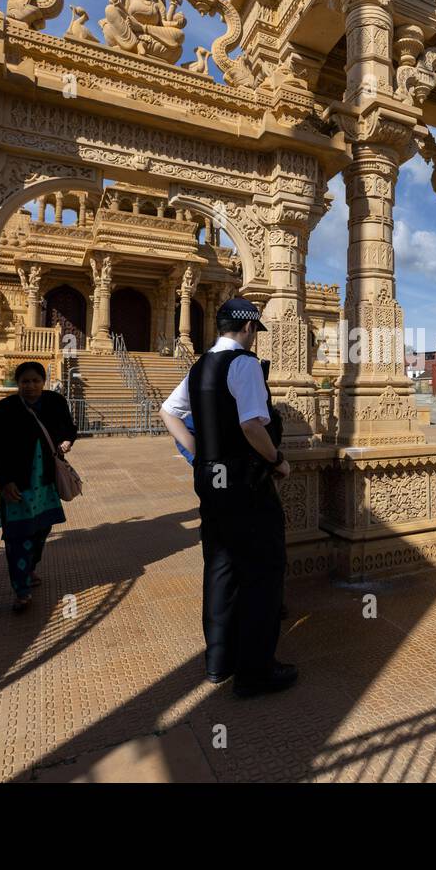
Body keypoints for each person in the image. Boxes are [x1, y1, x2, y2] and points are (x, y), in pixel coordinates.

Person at [159, 298, 295, 698]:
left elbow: (168, 412)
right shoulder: (244, 364)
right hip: (246, 485)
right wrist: (277, 460)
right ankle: (255, 671)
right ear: (250, 329)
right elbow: (252, 424)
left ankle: (218, 663)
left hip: (210, 483)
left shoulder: (201, 366)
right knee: (262, 572)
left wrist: (200, 454)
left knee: (219, 570)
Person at [0, 361, 78, 612]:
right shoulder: (5, 408)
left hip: (45, 480)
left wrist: (67, 441)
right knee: (17, 535)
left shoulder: (54, 402)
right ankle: (22, 590)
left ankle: (29, 567)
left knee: (41, 530)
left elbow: (70, 428)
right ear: (17, 384)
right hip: (18, 482)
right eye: (25, 382)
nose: (30, 386)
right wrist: (5, 481)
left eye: (35, 381)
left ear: (44, 381)